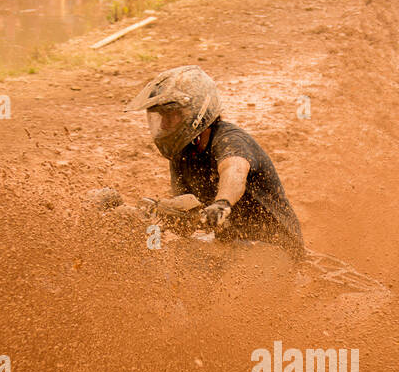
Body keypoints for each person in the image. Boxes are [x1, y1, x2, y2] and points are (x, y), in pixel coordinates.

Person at [127, 65, 306, 259]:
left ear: (195, 112)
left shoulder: (229, 139)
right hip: (232, 245)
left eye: (170, 116)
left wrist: (222, 203)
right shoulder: (182, 154)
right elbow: (189, 213)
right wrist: (158, 214)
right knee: (175, 257)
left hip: (278, 249)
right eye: (161, 117)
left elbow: (235, 169)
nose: (163, 125)